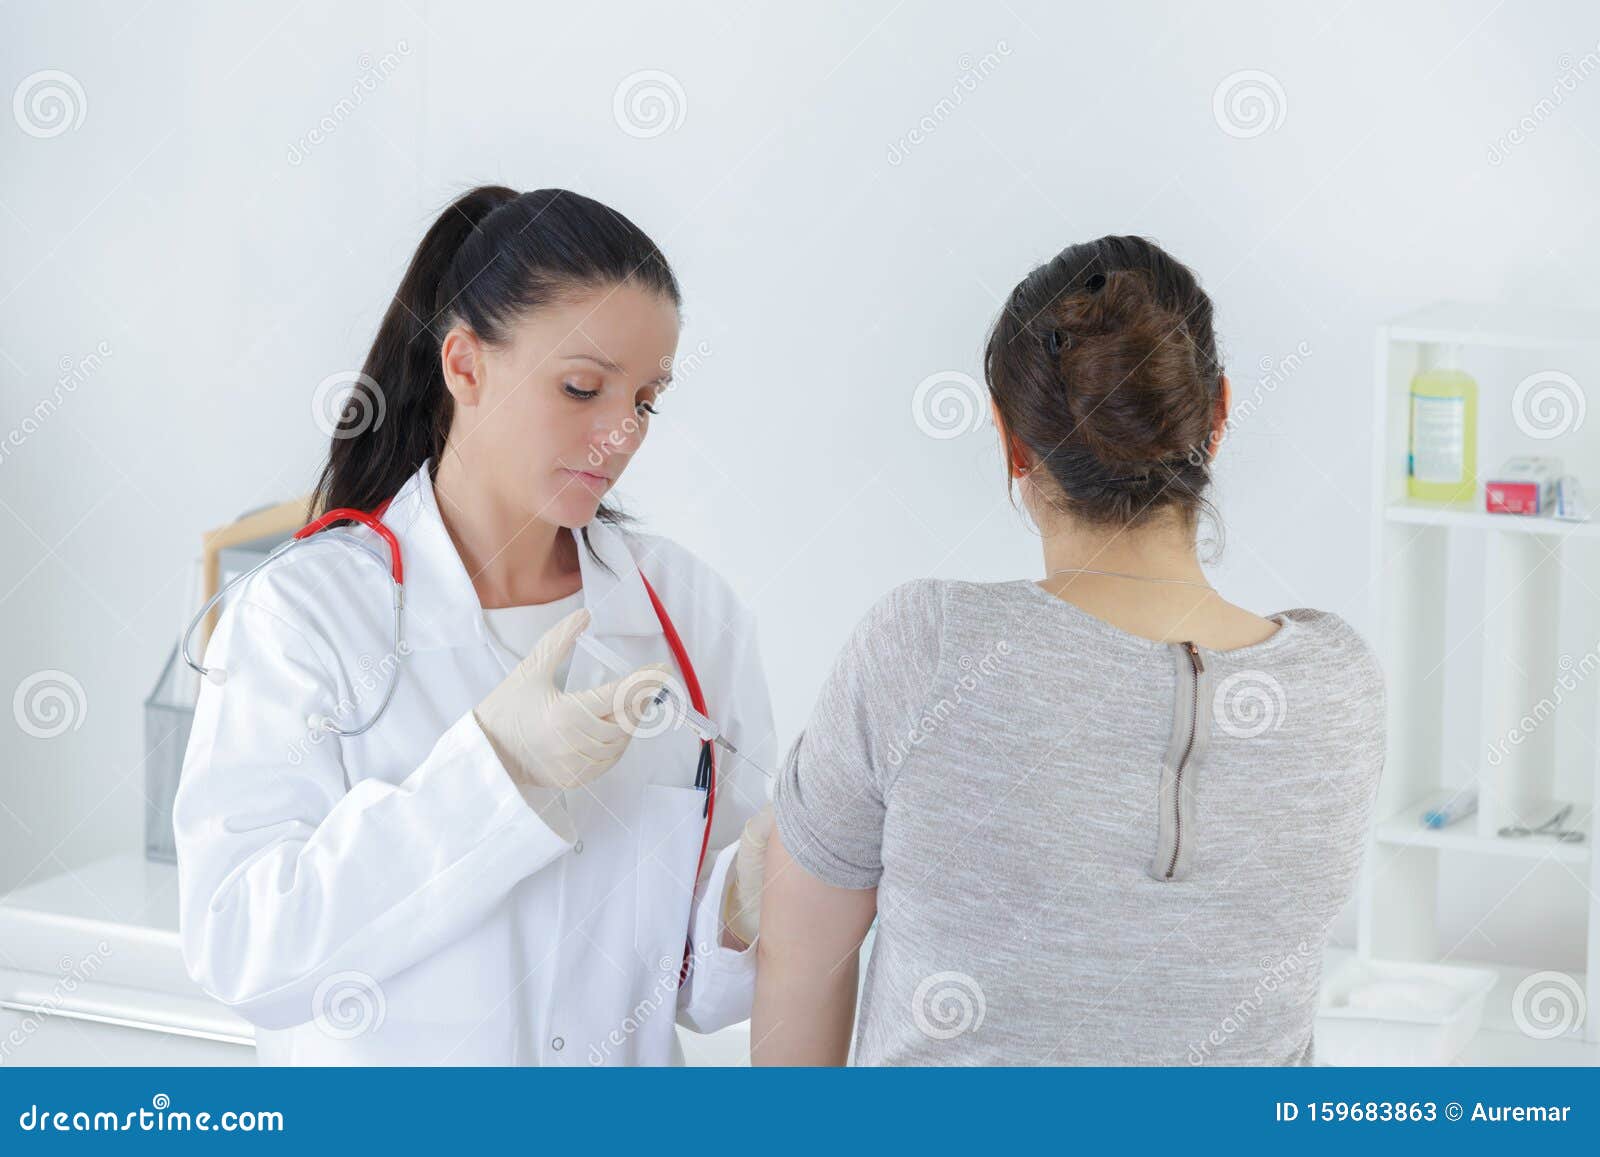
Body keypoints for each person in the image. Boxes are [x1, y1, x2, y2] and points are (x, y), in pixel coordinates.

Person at [175, 186, 775, 1065]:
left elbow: (687, 980)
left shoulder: (687, 611)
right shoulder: (308, 614)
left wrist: (747, 899)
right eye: (582, 388)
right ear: (464, 365)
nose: (620, 435)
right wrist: (496, 770)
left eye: (647, 399)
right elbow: (245, 951)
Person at [753, 235, 1386, 1065]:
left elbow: (799, 963)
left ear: (1013, 445)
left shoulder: (924, 648)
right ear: (1219, 416)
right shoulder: (1340, 684)